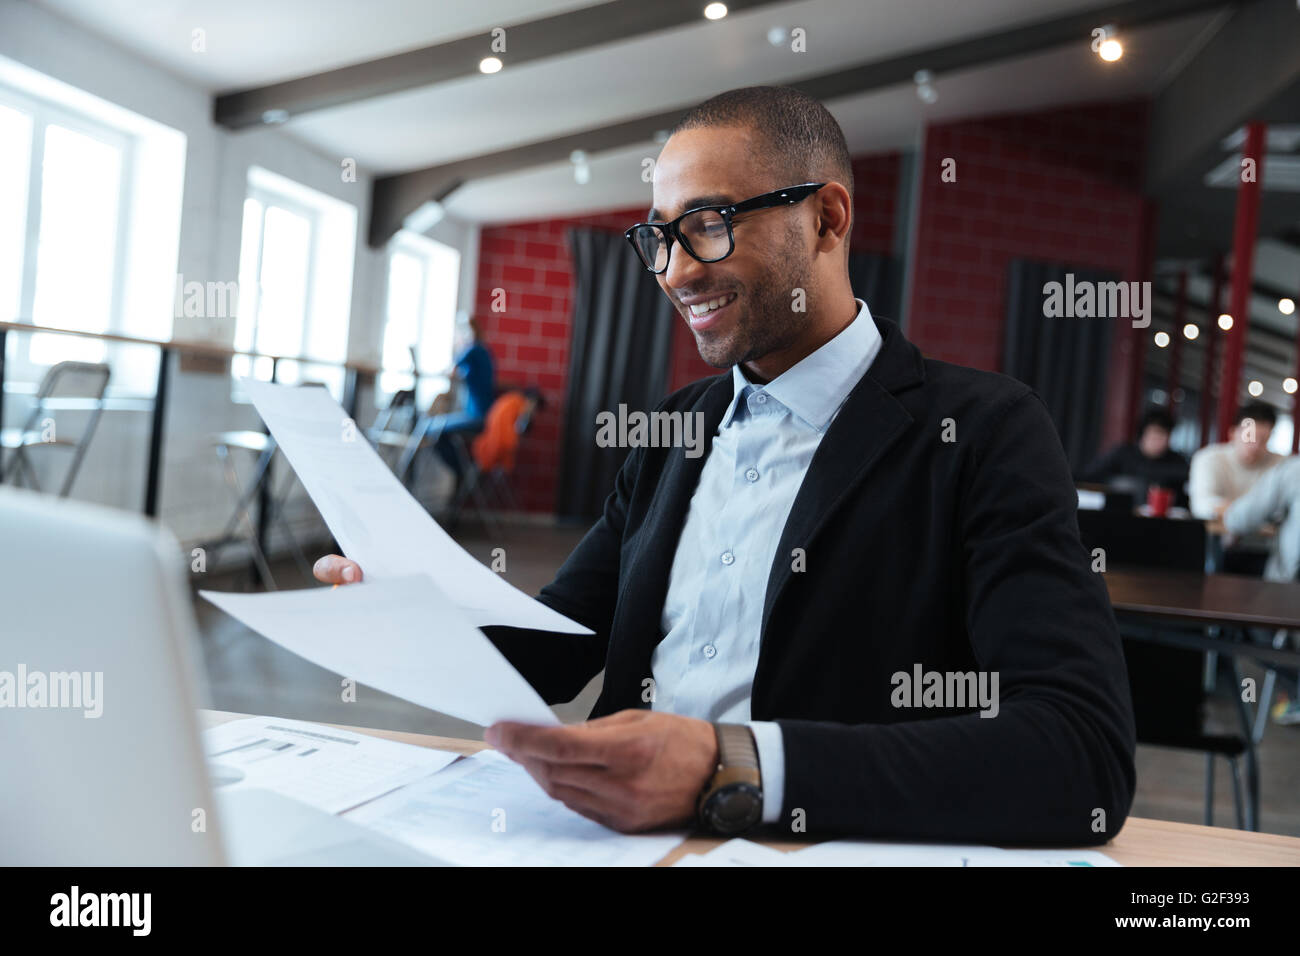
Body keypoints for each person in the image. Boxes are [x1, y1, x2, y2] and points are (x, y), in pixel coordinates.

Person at [316, 85, 1135, 843]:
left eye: (708, 222)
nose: (675, 269)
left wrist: (732, 764)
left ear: (826, 217)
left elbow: (1080, 749)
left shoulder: (984, 430)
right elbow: (560, 645)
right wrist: (414, 616)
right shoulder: (676, 426)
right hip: (613, 846)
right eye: (660, 236)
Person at [1223, 454, 1300, 723]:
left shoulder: (1294, 470)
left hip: (1290, 595)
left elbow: (1241, 518)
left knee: (1250, 628)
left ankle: (1295, 690)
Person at [427, 316, 495, 498]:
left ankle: (461, 471)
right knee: (436, 428)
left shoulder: (472, 350)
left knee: (432, 428)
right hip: (481, 414)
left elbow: (450, 369)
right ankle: (462, 471)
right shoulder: (483, 351)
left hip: (476, 416)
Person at [1188, 401, 1284, 520]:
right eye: (1249, 437)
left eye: (1263, 440)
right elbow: (1201, 504)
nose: (1255, 446)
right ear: (1232, 433)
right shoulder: (1208, 458)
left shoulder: (1281, 465)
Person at [1081, 405, 1189, 501]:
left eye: (1164, 436)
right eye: (1155, 435)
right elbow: (1090, 475)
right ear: (1142, 435)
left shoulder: (1177, 460)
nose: (1159, 441)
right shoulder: (1123, 454)